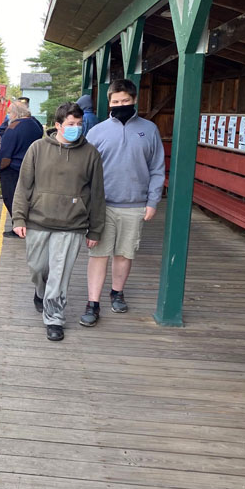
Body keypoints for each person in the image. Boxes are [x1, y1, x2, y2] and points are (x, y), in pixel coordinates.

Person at [12, 102, 105, 341]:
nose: (76, 128)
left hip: (72, 224)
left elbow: (97, 194)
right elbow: (24, 186)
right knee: (38, 268)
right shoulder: (37, 149)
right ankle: (40, 291)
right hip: (38, 221)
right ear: (58, 125)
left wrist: (95, 230)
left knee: (59, 273)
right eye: (71, 124)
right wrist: (18, 217)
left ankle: (54, 318)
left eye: (79, 124)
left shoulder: (90, 154)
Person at [80, 78, 165, 327]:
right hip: (102, 206)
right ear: (109, 102)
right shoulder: (96, 132)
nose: (120, 105)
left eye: (125, 101)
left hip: (135, 204)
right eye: (116, 101)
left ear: (134, 100)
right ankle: (93, 303)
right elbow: (85, 171)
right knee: (98, 254)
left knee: (125, 254)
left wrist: (153, 201)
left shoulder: (149, 130)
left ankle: (117, 292)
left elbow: (157, 168)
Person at [0, 101, 44, 237]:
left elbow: (5, 152)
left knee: (11, 198)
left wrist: (1, 167)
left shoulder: (14, 128)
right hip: (31, 166)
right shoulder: (35, 125)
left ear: (15, 113)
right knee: (27, 198)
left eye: (9, 113)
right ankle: (26, 225)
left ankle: (17, 227)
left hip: (13, 169)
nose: (9, 115)